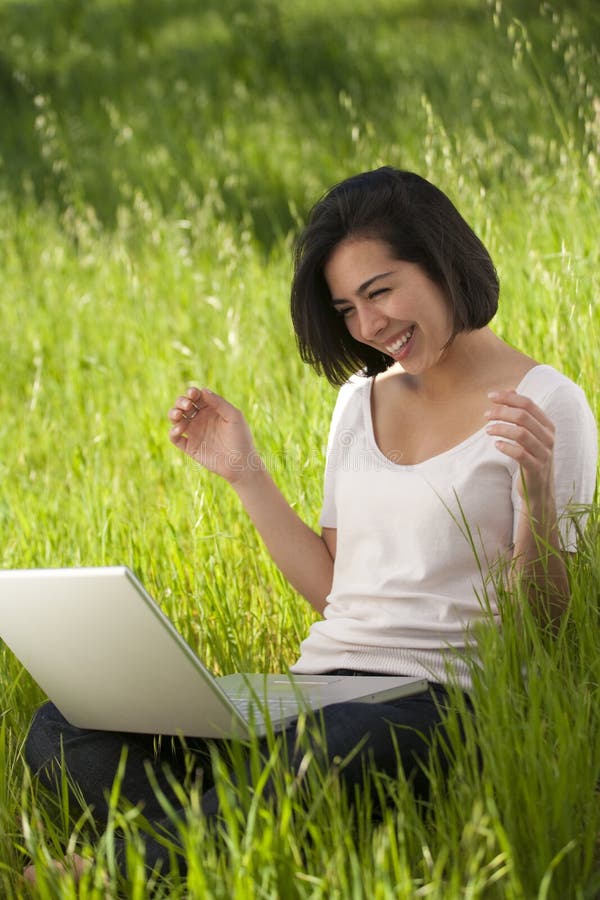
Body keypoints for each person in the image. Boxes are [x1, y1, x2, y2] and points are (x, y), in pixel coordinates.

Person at [24, 167, 597, 879]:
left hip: (443, 703)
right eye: (348, 307)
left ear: (442, 259)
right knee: (65, 726)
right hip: (317, 694)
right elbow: (336, 595)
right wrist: (245, 474)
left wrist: (539, 496)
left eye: (380, 290)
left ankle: (121, 872)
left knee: (331, 750)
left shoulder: (548, 404)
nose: (368, 325)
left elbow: (541, 629)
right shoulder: (358, 401)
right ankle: (244, 822)